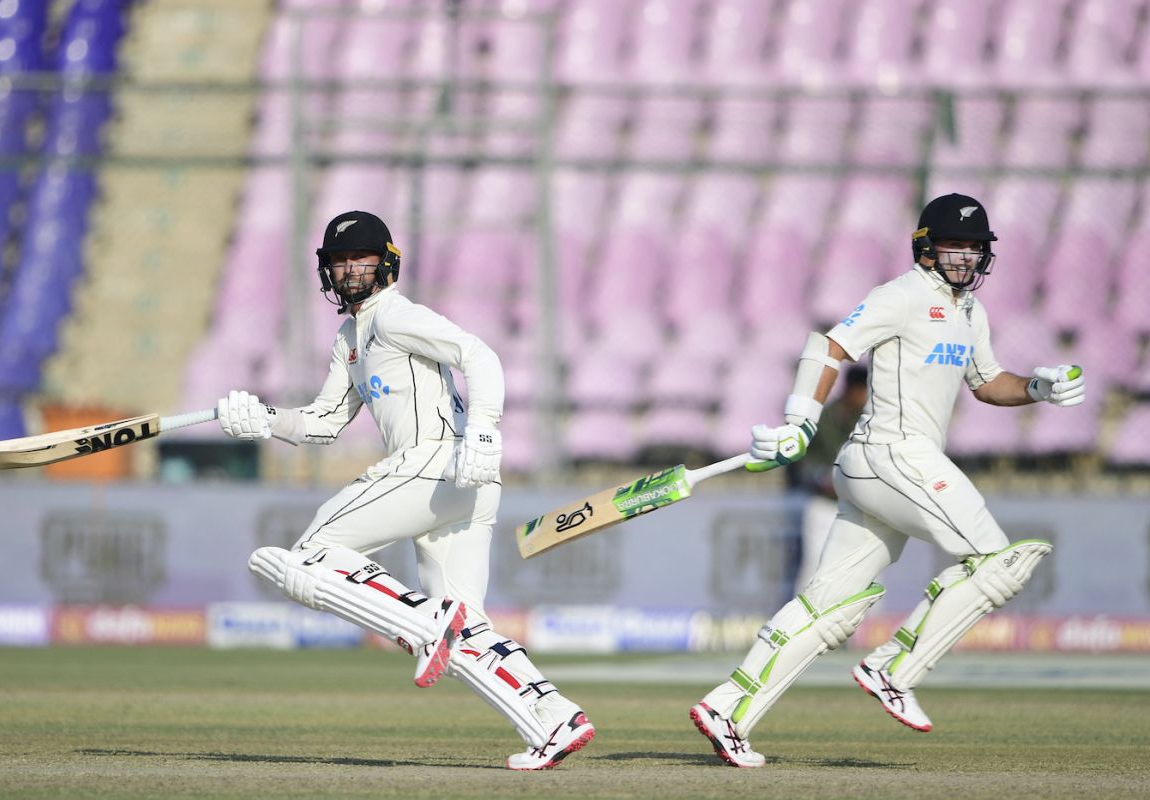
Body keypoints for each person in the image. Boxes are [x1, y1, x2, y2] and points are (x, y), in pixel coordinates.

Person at [690, 193, 1086, 767]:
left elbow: (988, 380)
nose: (967, 258)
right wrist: (801, 419)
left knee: (831, 606)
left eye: (976, 249)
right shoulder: (901, 295)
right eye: (955, 246)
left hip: (886, 467)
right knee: (999, 560)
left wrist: (1037, 388)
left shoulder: (971, 312)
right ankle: (895, 667)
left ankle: (729, 708)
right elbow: (827, 345)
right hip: (890, 453)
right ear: (926, 247)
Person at [217, 210, 594, 770]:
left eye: (360, 259)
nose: (349, 270)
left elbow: (479, 355)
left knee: (311, 555)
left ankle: (423, 621)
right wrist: (262, 418)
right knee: (471, 626)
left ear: (387, 261)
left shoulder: (394, 316)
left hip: (439, 462)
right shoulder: (351, 336)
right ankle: (554, 716)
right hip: (460, 484)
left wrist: (486, 429)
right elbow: (322, 422)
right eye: (339, 261)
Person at [786, 365, 869, 593]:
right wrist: (823, 478)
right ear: (850, 389)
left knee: (867, 567)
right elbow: (803, 460)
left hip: (860, 505)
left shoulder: (871, 420)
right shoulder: (823, 418)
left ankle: (871, 625)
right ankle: (799, 624)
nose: (863, 397)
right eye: (860, 391)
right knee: (814, 564)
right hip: (823, 503)